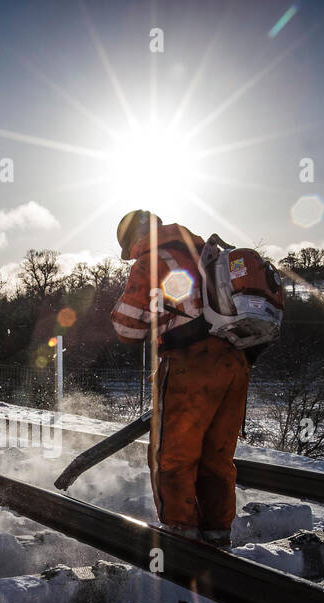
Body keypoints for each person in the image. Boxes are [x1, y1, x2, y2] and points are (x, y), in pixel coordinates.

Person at [110, 209, 252, 549]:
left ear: (133, 239)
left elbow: (127, 329)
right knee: (216, 457)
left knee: (173, 455)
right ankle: (218, 538)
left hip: (191, 363)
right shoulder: (207, 252)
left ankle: (181, 541)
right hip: (235, 362)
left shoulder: (151, 260)